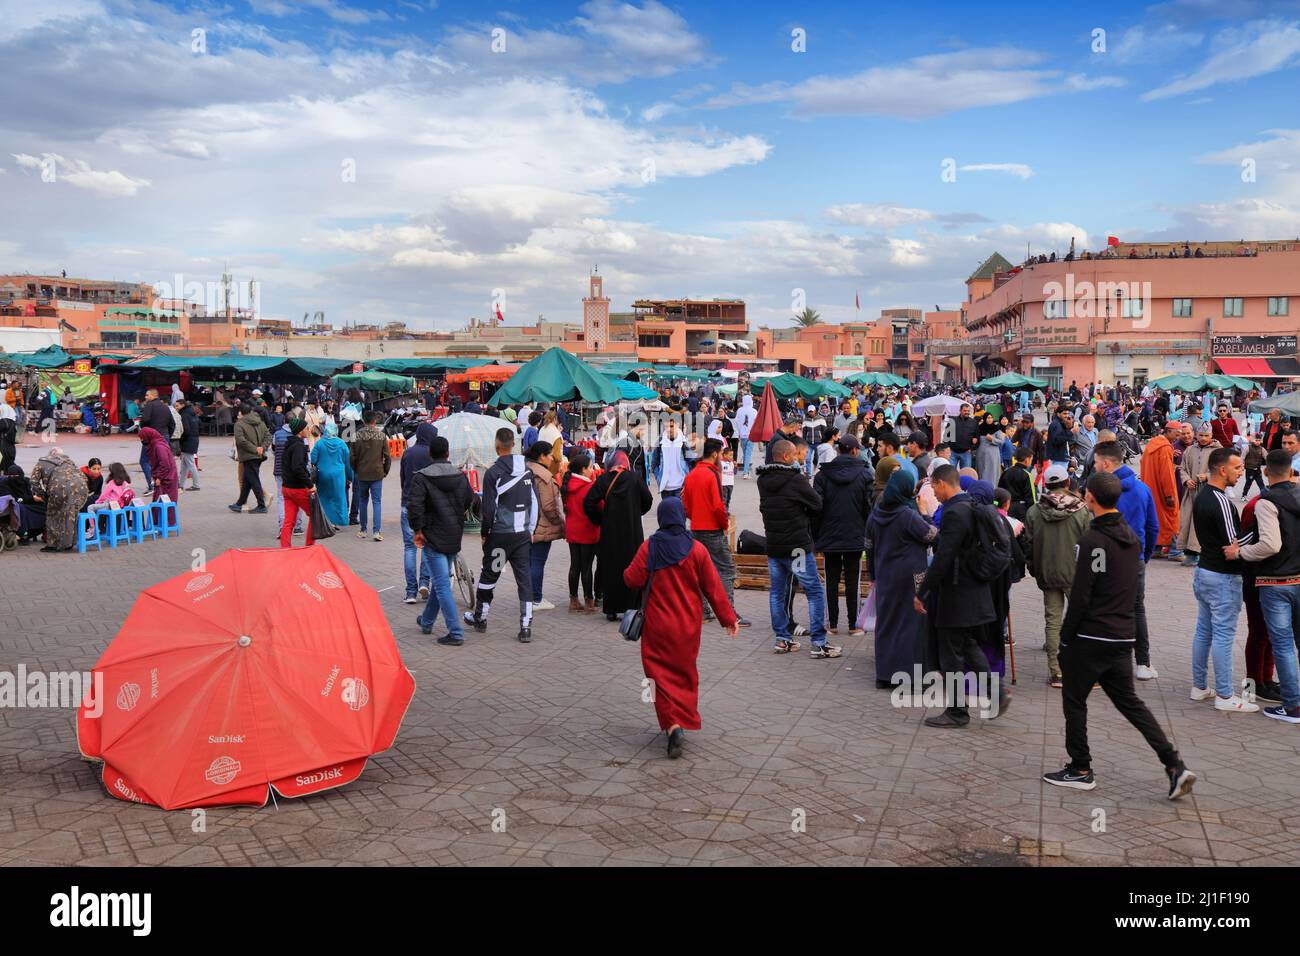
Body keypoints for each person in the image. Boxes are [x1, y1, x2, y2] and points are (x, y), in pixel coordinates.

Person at [1043, 471, 1197, 799]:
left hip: (1092, 636)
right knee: (1130, 703)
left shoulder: (1092, 542)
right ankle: (1174, 764)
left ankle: (1080, 767)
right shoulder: (1131, 537)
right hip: (1121, 635)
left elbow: (1082, 595)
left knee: (1074, 699)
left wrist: (1066, 640)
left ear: (1090, 499)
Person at [625, 498, 740, 759]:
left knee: (656, 676)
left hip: (657, 626)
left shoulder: (649, 547)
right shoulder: (697, 549)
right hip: (688, 627)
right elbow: (713, 588)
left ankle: (672, 724)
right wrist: (728, 619)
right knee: (685, 673)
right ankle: (682, 717)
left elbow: (631, 578)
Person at [915, 464, 1007, 727]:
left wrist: (923, 592)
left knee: (951, 655)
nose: (933, 492)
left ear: (943, 483)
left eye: (934, 486)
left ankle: (957, 711)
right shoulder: (969, 506)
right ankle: (995, 692)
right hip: (972, 591)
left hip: (956, 593)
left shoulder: (955, 512)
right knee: (966, 644)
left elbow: (944, 557)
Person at [1188, 446, 1257, 712]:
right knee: (1223, 636)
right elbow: (1233, 546)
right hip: (1222, 578)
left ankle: (1200, 686)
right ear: (1222, 469)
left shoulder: (1204, 496)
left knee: (1204, 631)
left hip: (1205, 572)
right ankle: (1226, 696)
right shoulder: (1220, 501)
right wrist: (1258, 531)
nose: (1241, 473)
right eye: (1238, 467)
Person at [759, 439, 839, 658]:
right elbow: (817, 504)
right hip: (796, 547)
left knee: (777, 593)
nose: (797, 458)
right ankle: (819, 643)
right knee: (814, 591)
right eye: (795, 455)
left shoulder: (763, 480)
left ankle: (782, 640)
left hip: (775, 546)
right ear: (786, 457)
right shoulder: (796, 479)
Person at [1236, 448, 1300, 721]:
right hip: (1297, 578)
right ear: (1292, 471)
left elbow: (1269, 544)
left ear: (1264, 472)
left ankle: (1291, 704)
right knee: (1282, 640)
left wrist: (1240, 553)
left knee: (1279, 642)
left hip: (1273, 580)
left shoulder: (1263, 502)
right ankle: (1266, 685)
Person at [465, 428, 539, 643]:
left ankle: (481, 617)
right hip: (522, 536)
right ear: (513, 445)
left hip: (500, 536)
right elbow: (534, 503)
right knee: (524, 579)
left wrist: (485, 533)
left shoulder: (493, 473)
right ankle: (526, 625)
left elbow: (488, 509)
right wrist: (531, 530)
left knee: (490, 576)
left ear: (497, 446)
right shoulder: (527, 469)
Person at [864, 469, 937, 688]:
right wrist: (925, 513)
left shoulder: (876, 513)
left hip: (886, 576)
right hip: (912, 578)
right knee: (911, 625)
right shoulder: (907, 515)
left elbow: (869, 546)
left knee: (886, 623)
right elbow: (933, 535)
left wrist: (873, 576)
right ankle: (910, 677)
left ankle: (885, 675)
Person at [1023, 463, 1090, 688]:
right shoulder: (1081, 510)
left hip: (1048, 572)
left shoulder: (1034, 511)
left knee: (1052, 621)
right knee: (1082, 620)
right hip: (1076, 574)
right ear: (1067, 483)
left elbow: (1028, 545)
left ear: (1047, 485)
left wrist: (1034, 568)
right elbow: (1091, 544)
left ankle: (1057, 671)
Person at [408, 435, 474, 645]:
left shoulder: (421, 477)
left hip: (433, 536)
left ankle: (455, 632)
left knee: (442, 584)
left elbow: (414, 507)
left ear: (430, 454)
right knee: (440, 580)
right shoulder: (460, 476)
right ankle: (427, 621)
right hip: (453, 534)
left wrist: (418, 530)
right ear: (448, 453)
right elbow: (470, 500)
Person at [586, 449, 654, 621]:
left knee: (611, 567)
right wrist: (637, 511)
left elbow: (589, 502)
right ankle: (632, 605)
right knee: (633, 566)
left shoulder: (604, 479)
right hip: (632, 531)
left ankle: (611, 608)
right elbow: (648, 499)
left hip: (610, 532)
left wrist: (600, 519)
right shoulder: (634, 478)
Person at [814, 433, 871, 637]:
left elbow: (816, 508)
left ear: (839, 450)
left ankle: (832, 624)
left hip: (829, 536)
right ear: (855, 450)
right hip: (855, 536)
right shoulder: (865, 475)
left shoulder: (822, 476)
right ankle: (854, 625)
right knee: (852, 581)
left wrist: (817, 537)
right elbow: (868, 508)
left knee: (831, 580)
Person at [398, 423, 438, 604]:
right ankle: (424, 582)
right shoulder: (433, 454)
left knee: (410, 548)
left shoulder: (408, 453)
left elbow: (403, 479)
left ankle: (410, 592)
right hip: (428, 507)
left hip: (408, 504)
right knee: (428, 546)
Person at [526, 439, 564, 612]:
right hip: (541, 525)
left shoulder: (524, 470)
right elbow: (549, 506)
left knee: (528, 561)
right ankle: (535, 598)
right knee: (537, 562)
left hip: (524, 523)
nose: (552, 459)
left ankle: (528, 596)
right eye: (550, 455)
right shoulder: (544, 476)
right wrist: (560, 522)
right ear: (542, 456)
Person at [1177, 423, 1222, 567]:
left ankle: (1203, 554)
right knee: (1187, 522)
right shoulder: (1189, 450)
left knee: (1205, 523)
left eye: (1206, 436)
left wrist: (1208, 476)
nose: (1203, 438)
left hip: (1209, 493)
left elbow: (1223, 469)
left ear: (1211, 436)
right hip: (1191, 493)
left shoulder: (1218, 451)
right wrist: (1186, 480)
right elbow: (1182, 469)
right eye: (1201, 435)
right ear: (1196, 435)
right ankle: (1190, 553)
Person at [562, 452, 600, 612]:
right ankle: (589, 600)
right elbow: (599, 507)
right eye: (590, 467)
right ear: (583, 470)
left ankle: (573, 599)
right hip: (587, 530)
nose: (592, 470)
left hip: (572, 530)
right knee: (586, 567)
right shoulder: (590, 487)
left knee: (574, 566)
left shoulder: (567, 485)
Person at [30, 448, 88, 552]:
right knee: (71, 514)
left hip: (59, 488)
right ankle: (69, 543)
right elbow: (83, 477)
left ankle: (53, 545)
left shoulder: (42, 462)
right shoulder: (69, 462)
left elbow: (33, 481)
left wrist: (42, 494)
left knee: (53, 515)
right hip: (80, 487)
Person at [1141, 421, 1182, 559]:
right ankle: (1175, 551)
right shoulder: (1165, 448)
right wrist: (1169, 495)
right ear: (1168, 431)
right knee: (1171, 517)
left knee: (1155, 518)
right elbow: (1167, 474)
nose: (1178, 437)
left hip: (1150, 487)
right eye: (1177, 433)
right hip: (1162, 490)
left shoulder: (1152, 444)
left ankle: (1155, 549)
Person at [350, 410, 391, 540]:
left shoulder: (356, 436)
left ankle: (363, 529)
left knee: (363, 500)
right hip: (377, 473)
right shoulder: (381, 436)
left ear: (363, 421)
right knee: (377, 502)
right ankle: (376, 531)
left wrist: (356, 469)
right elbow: (387, 457)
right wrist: (385, 471)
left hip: (362, 473)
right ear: (375, 421)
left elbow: (352, 457)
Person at [278, 418, 315, 548]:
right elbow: (297, 467)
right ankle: (309, 546)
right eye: (306, 428)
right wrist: (310, 485)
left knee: (288, 521)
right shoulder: (299, 446)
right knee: (314, 514)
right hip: (298, 489)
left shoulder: (288, 444)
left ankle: (285, 548)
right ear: (300, 431)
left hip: (286, 488)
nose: (308, 430)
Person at [311, 419, 352, 528]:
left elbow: (313, 459)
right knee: (338, 498)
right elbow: (348, 462)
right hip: (339, 476)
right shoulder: (342, 444)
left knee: (324, 498)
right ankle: (338, 521)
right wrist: (350, 477)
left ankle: (326, 521)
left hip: (323, 475)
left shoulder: (320, 443)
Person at [229, 403, 270, 514]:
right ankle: (239, 503)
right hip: (258, 455)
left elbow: (241, 440)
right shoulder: (259, 421)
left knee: (253, 480)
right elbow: (268, 436)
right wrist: (262, 447)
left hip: (249, 455)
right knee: (247, 479)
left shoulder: (239, 424)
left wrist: (256, 449)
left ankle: (261, 505)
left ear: (241, 412)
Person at [140, 426, 178, 505]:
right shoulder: (154, 445)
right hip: (163, 476)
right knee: (159, 502)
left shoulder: (159, 446)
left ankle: (164, 517)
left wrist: (159, 478)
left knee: (164, 503)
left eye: (142, 438)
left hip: (167, 477)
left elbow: (165, 463)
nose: (141, 440)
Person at [653, 417, 689, 497]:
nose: (669, 429)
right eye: (666, 427)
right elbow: (654, 464)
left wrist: (687, 483)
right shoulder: (660, 443)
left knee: (679, 509)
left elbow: (692, 463)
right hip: (665, 488)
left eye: (671, 426)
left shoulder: (684, 443)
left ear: (677, 425)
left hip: (680, 487)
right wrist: (659, 478)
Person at [998, 446, 1036, 521]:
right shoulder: (1027, 475)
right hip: (1021, 510)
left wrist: (998, 506)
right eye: (1031, 459)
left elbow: (1000, 492)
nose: (1031, 462)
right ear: (1027, 460)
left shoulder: (1006, 472)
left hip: (1006, 507)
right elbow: (1031, 498)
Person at [176, 399, 201, 491]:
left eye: (177, 405)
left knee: (190, 464)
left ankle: (196, 485)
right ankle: (180, 484)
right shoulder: (192, 413)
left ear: (182, 405)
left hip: (187, 441)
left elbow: (185, 430)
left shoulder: (184, 415)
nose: (176, 408)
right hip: (194, 439)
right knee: (185, 464)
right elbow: (199, 425)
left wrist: (180, 439)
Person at [974, 412, 1004, 483]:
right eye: (988, 418)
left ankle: (992, 489)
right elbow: (976, 439)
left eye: (991, 418)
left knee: (992, 473)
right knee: (982, 472)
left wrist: (992, 439)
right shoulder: (979, 428)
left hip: (993, 456)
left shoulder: (996, 428)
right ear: (984, 419)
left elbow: (1002, 442)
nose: (990, 419)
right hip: (981, 455)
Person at [734, 394, 757, 478]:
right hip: (751, 435)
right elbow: (756, 422)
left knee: (745, 453)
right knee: (748, 453)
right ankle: (746, 472)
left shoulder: (740, 410)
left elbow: (736, 421)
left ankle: (746, 470)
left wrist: (740, 430)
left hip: (743, 435)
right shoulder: (754, 411)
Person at [951, 404, 979, 469]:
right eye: (964, 410)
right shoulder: (953, 420)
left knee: (966, 474)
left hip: (966, 453)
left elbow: (977, 437)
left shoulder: (974, 422)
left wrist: (972, 448)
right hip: (953, 452)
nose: (967, 412)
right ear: (960, 410)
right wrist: (948, 448)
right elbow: (947, 436)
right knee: (950, 473)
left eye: (968, 411)